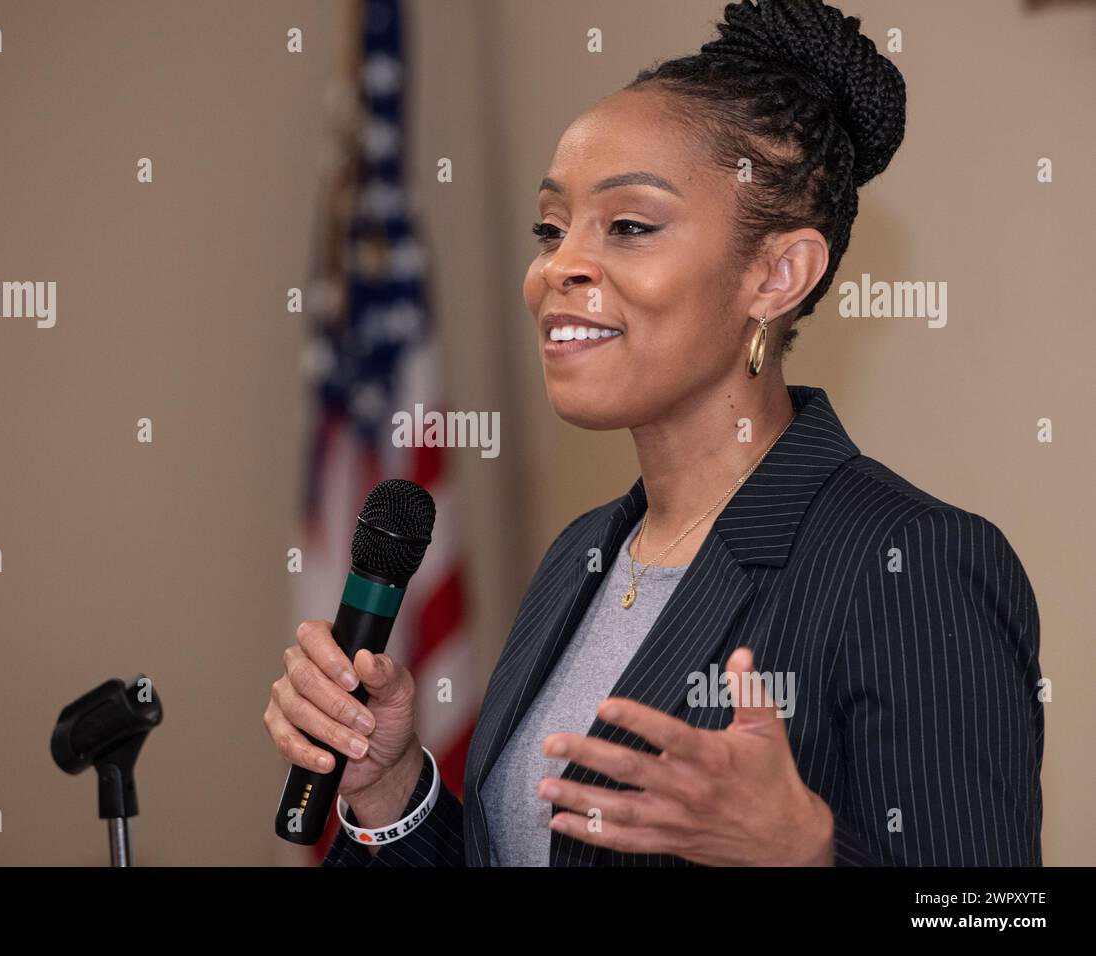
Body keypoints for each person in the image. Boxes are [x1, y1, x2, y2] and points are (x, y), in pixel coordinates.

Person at [262, 0, 1043, 866]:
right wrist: (391, 787)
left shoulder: (912, 563)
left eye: (629, 226)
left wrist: (807, 852)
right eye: (550, 229)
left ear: (778, 274)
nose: (559, 267)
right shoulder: (582, 557)